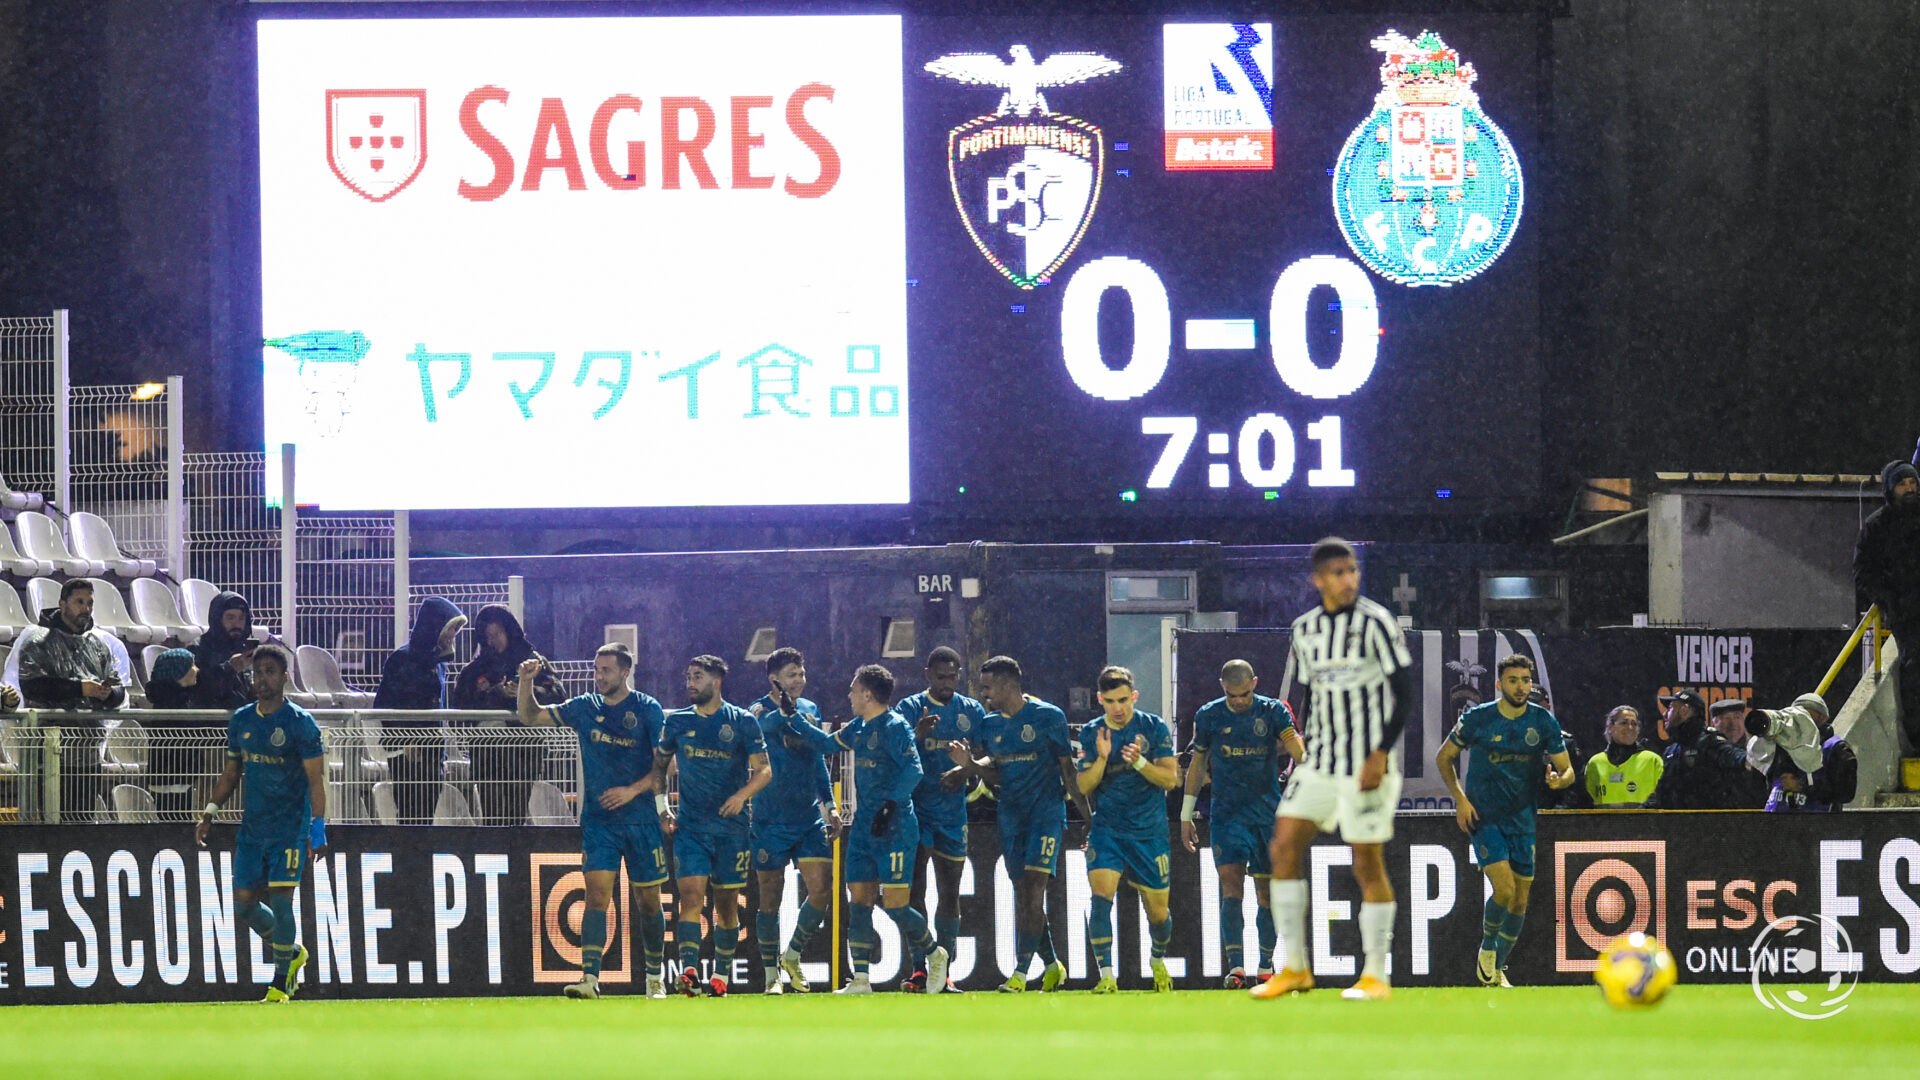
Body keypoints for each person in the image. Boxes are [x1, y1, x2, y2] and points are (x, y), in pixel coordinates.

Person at [1252, 537, 1411, 1003]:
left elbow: (1403, 691)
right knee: (1283, 846)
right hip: (1320, 760)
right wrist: (1300, 753)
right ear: (1318, 579)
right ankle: (1296, 968)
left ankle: (1375, 975)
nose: (1347, 580)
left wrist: (1380, 753)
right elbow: (1307, 696)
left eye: (1352, 570)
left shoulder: (1377, 622)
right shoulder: (1304, 630)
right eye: (1337, 572)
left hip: (1367, 760)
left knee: (1366, 861)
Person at [516, 643, 669, 999]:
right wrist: (525, 682)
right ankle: (589, 979)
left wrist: (632, 791)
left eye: (606, 670)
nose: (598, 676)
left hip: (641, 821)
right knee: (597, 895)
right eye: (596, 670)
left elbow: (666, 764)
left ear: (625, 672)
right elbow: (530, 716)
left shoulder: (647, 709)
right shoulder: (585, 707)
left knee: (649, 900)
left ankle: (654, 978)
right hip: (600, 822)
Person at [946, 655, 1088, 993]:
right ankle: (1053, 966)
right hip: (1010, 817)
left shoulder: (1048, 717)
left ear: (1009, 685)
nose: (984, 695)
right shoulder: (991, 725)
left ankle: (1021, 973)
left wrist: (1087, 817)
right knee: (1024, 896)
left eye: (988, 687)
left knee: (1034, 891)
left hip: (1045, 816)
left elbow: (1068, 771)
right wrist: (969, 765)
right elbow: (994, 770)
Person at [192, 644, 326, 1002]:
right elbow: (231, 772)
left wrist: (317, 827)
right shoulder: (242, 721)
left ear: (284, 678)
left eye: (269, 672)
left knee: (282, 901)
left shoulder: (301, 724)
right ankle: (292, 953)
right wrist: (209, 812)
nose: (261, 679)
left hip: (289, 828)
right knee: (244, 906)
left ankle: (281, 981)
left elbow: (316, 780)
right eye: (256, 672)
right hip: (253, 828)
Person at [1434, 654, 1576, 988]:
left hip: (1523, 819)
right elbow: (1444, 758)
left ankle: (1497, 968)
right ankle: (1487, 949)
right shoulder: (1478, 719)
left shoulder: (1543, 722)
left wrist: (1560, 779)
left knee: (1521, 899)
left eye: (1525, 680)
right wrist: (1460, 800)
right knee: (1505, 888)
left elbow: (1567, 769)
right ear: (1499, 685)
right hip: (1485, 817)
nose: (1521, 687)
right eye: (1513, 680)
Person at [1183, 658, 1307, 988]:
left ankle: (1266, 966)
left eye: (1243, 694)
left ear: (1254, 682)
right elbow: (1198, 765)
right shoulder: (1208, 716)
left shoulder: (1274, 711)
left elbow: (1297, 749)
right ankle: (1236, 968)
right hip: (1226, 815)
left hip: (1267, 816)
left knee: (1267, 894)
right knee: (1231, 887)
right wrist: (1186, 813)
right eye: (1231, 695)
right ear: (1222, 687)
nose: (1238, 701)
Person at [828, 663, 949, 995]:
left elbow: (914, 771)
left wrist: (889, 804)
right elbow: (825, 744)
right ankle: (862, 980)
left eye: (853, 690)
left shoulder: (895, 726)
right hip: (865, 828)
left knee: (896, 905)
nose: (850, 695)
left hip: (895, 827)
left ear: (867, 693)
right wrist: (791, 718)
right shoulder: (858, 727)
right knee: (860, 902)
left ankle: (936, 954)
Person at [656, 655, 770, 997]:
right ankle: (689, 972)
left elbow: (765, 770)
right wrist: (663, 808)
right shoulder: (676, 722)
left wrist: (741, 797)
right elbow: (658, 767)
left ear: (717, 681)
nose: (690, 682)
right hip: (691, 828)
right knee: (689, 898)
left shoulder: (743, 721)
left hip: (732, 830)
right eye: (688, 676)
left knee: (727, 906)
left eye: (698, 677)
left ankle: (721, 976)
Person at [745, 647, 845, 994]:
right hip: (770, 820)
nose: (799, 680)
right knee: (769, 898)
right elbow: (763, 727)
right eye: (792, 675)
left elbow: (817, 758)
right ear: (774, 679)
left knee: (821, 890)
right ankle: (771, 976)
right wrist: (786, 717)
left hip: (806, 819)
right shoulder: (757, 710)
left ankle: (793, 954)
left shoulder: (811, 709)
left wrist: (829, 805)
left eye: (802, 674)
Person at [1076, 666, 1181, 993]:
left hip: (1149, 833)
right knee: (1100, 898)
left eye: (1123, 700)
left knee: (1159, 915)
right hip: (1108, 830)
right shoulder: (1092, 734)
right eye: (1110, 701)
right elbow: (1083, 785)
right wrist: (1103, 759)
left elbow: (1170, 779)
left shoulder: (1153, 727)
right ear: (1100, 700)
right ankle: (1107, 976)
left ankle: (1157, 958)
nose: (1117, 708)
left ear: (1134, 696)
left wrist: (1139, 763)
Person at [891, 645, 985, 992]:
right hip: (914, 813)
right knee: (915, 892)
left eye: (953, 676)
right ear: (928, 674)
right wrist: (916, 735)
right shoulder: (910, 709)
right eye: (941, 676)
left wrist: (965, 770)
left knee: (950, 892)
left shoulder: (971, 711)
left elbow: (987, 755)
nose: (948, 682)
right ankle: (919, 968)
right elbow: (894, 752)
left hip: (951, 815)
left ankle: (944, 971)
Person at [450, 605, 566, 825]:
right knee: (492, 819)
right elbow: (461, 709)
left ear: (509, 632)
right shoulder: (474, 671)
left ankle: (517, 857)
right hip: (488, 759)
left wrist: (526, 692)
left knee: (516, 817)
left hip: (524, 758)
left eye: (498, 634)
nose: (493, 641)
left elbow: (558, 694)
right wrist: (496, 694)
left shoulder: (533, 662)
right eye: (488, 636)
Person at [373, 596, 467, 823]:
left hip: (433, 750)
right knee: (410, 815)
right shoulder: (402, 659)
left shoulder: (438, 663)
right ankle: (409, 860)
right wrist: (404, 741)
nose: (453, 635)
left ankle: (418, 859)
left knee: (425, 817)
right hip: (408, 753)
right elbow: (385, 705)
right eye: (451, 628)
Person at [1854, 460, 1920, 749]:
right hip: (1906, 612)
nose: (1909, 488)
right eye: (1903, 483)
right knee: (1914, 669)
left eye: (1913, 482)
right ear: (1890, 488)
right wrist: (1889, 602)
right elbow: (1863, 571)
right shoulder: (1876, 526)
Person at [16, 579, 126, 711]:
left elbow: (117, 686)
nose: (86, 609)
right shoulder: (38, 642)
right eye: (79, 602)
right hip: (49, 728)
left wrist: (109, 694)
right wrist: (79, 689)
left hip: (92, 729)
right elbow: (31, 687)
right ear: (62, 604)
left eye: (90, 603)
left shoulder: (98, 645)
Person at [1652, 689, 1753, 809]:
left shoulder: (1710, 743)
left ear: (1684, 710)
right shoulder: (1672, 751)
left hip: (1710, 825)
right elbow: (1662, 795)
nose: (1665, 714)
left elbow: (1738, 758)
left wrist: (1751, 761)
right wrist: (1638, 812)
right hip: (1678, 825)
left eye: (1670, 708)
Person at [187, 590, 278, 711]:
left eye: (241, 618)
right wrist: (229, 669)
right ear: (217, 619)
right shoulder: (197, 648)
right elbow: (198, 693)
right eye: (230, 618)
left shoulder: (246, 650)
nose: (237, 624)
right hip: (211, 724)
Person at [144, 647, 205, 817]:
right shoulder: (172, 703)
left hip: (180, 778)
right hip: (171, 778)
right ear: (179, 670)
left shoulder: (182, 698)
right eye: (192, 665)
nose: (197, 670)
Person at [1584, 706, 1664, 808]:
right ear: (1610, 727)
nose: (1630, 728)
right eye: (1624, 723)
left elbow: (1662, 797)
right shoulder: (1594, 763)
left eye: (1634, 724)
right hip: (1603, 823)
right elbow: (1587, 801)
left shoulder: (1652, 760)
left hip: (1643, 823)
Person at [1709, 698, 1773, 807]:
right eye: (1726, 718)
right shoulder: (1707, 748)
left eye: (1737, 717)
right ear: (1714, 723)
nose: (1733, 723)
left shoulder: (1758, 748)